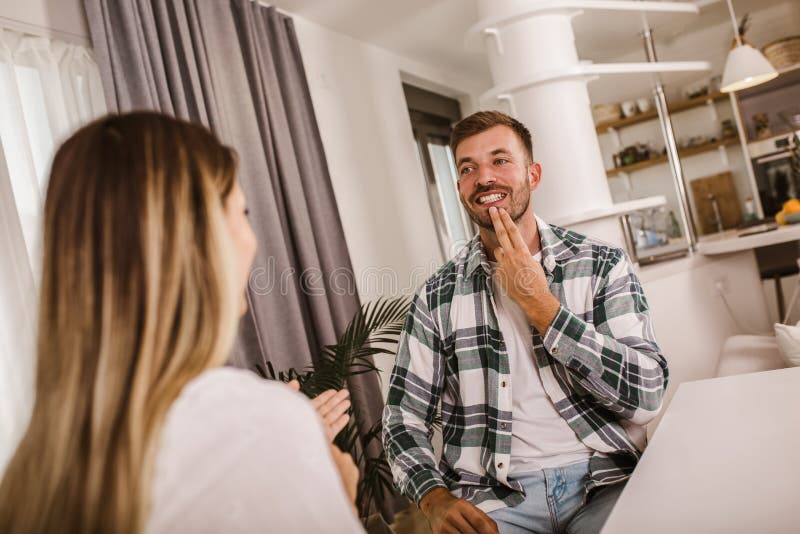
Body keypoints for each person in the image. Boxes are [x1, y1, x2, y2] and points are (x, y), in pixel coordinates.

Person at [0, 112, 364, 534]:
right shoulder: (255, 427)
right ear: (198, 240)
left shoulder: (35, 469)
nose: (253, 239)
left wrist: (278, 445)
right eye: (242, 212)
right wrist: (336, 492)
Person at [383, 111, 668, 534]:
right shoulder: (437, 295)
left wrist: (542, 308)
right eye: (468, 168)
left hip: (606, 481)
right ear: (460, 188)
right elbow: (402, 418)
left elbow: (647, 397)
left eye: (500, 161)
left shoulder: (602, 265)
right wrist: (434, 495)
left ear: (532, 175)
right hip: (493, 502)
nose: (484, 178)